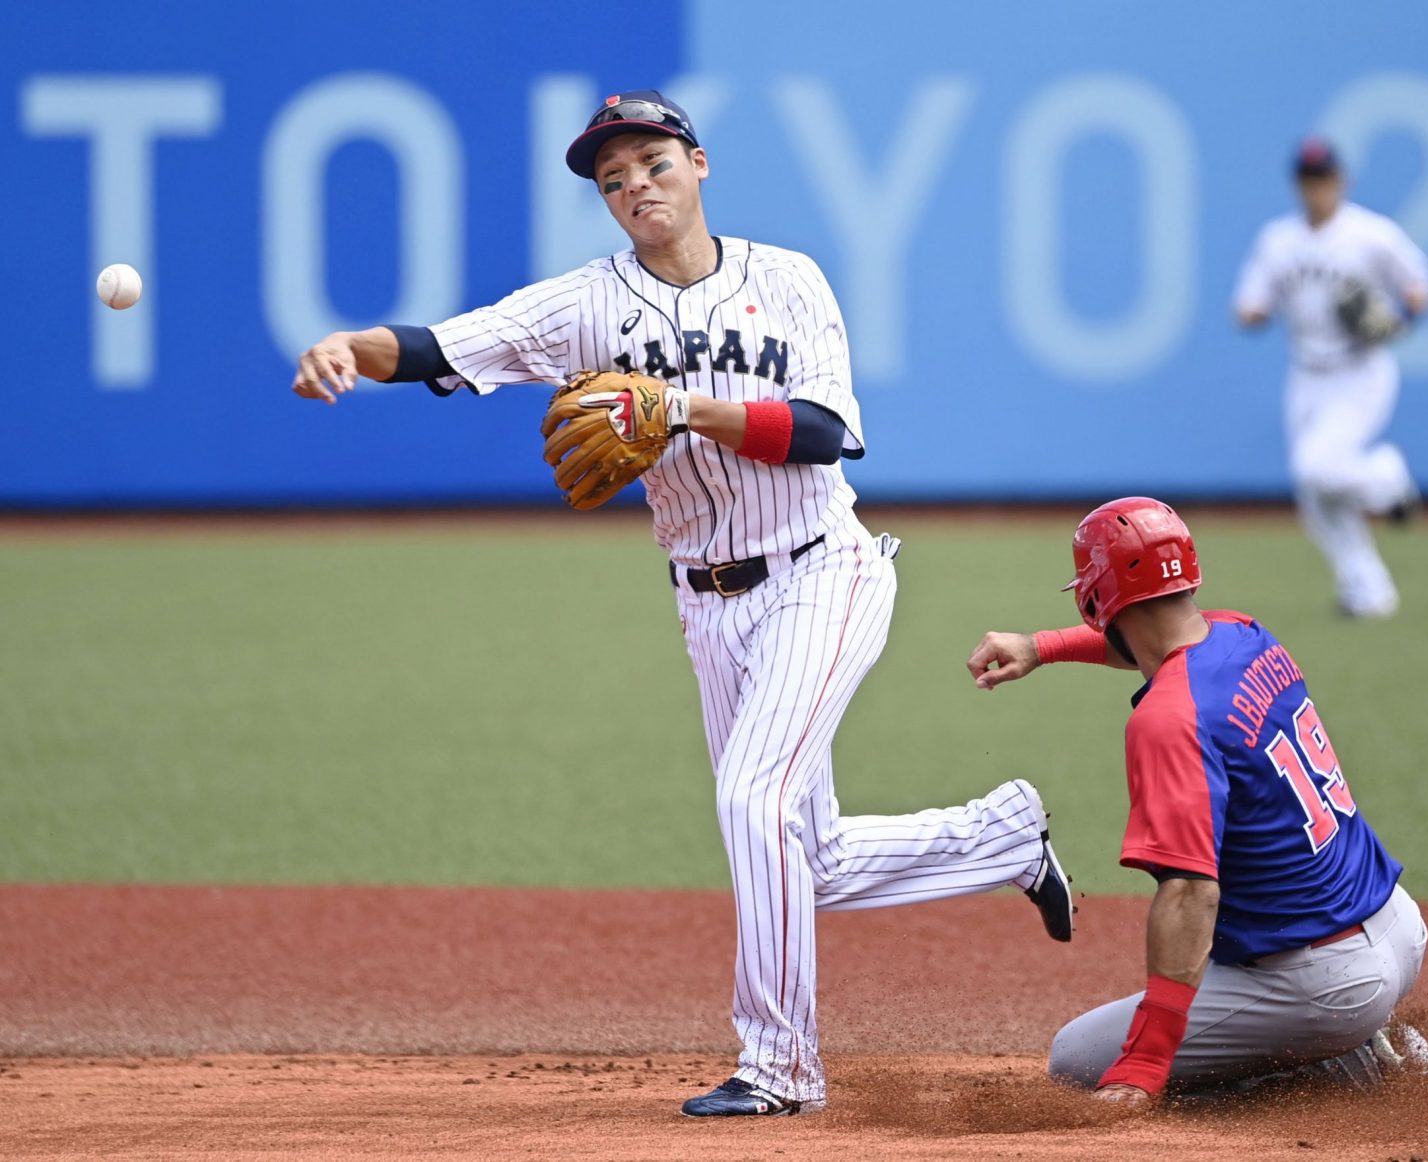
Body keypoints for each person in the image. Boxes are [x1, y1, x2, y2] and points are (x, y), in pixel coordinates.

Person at [289, 89, 1074, 1118]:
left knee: (752, 801)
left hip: (822, 570)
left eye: (651, 163)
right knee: (808, 852)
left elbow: (824, 431)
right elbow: (440, 347)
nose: (633, 186)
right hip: (707, 604)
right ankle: (1004, 835)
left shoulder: (786, 280)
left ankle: (781, 1067)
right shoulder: (583, 306)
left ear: (697, 165)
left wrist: (680, 407)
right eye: (613, 179)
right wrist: (349, 346)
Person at [965, 497, 1428, 1112]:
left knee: (1078, 1058)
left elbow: (1192, 892)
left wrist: (1143, 1065)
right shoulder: (1242, 633)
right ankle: (1372, 1037)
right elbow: (1149, 643)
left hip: (1327, 984)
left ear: (1093, 598)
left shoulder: (1169, 720)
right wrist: (1043, 646)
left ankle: (1342, 1062)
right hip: (1399, 926)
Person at [1234, 137, 1428, 619]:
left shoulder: (1370, 234)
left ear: (1341, 180)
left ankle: (1387, 480)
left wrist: (1398, 320)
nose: (1316, 187)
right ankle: (1368, 591)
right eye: (1308, 179)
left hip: (1360, 369)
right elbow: (1247, 307)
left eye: (1324, 178)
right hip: (1306, 374)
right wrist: (1259, 312)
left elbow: (1420, 285)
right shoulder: (1280, 240)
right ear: (1297, 184)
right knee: (1315, 499)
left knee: (1316, 469)